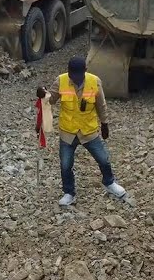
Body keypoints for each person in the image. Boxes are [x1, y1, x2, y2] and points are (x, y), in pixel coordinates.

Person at [36, 57, 126, 206]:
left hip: (88, 130)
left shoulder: (95, 82)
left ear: (85, 70)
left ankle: (109, 183)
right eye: (72, 74)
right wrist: (43, 94)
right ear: (68, 71)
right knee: (65, 164)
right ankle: (69, 192)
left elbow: (101, 105)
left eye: (78, 74)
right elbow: (50, 100)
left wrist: (105, 124)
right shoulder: (61, 81)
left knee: (103, 159)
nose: (74, 78)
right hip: (68, 131)